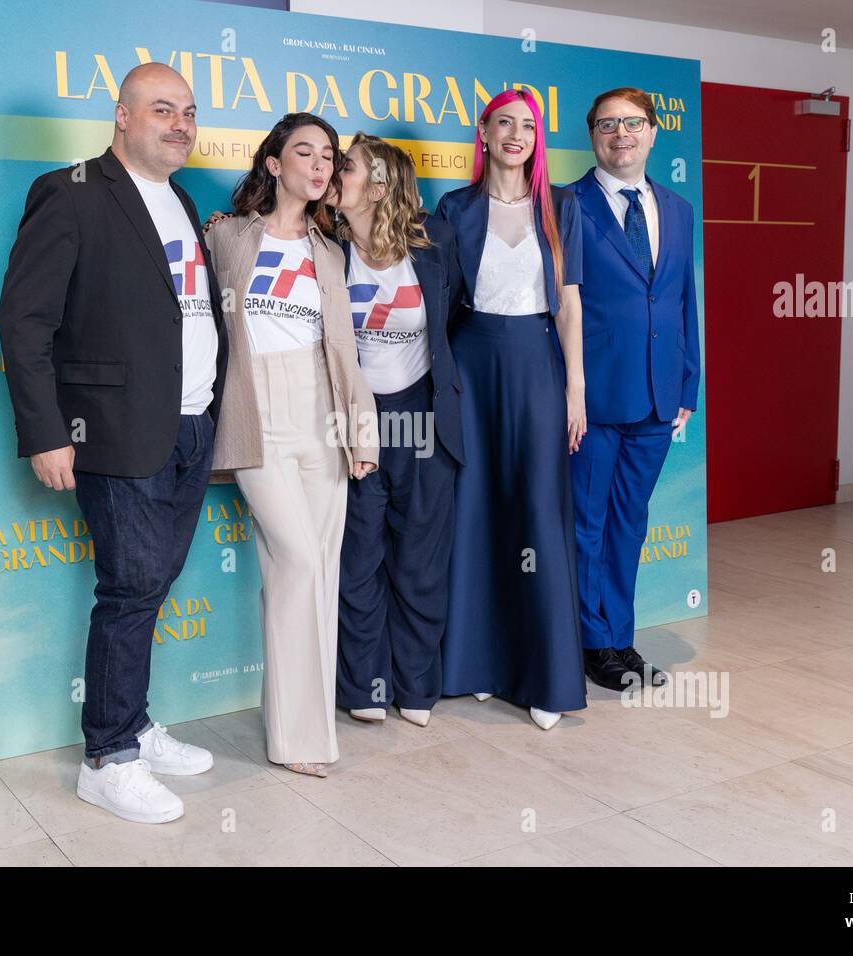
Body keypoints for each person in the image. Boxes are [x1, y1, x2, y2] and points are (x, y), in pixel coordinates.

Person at [0, 63, 226, 824]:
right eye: (162, 109)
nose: (180, 123)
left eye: (189, 112)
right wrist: (47, 432)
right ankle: (108, 757)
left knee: (151, 590)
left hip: (191, 425)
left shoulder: (184, 200)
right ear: (121, 116)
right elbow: (25, 322)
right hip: (115, 431)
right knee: (129, 592)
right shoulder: (71, 193)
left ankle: (133, 723)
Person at [205, 114, 378, 777]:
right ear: (273, 164)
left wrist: (361, 434)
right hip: (257, 419)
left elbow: (346, 353)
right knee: (297, 563)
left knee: (319, 571)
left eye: (329, 157)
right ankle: (299, 737)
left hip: (323, 420)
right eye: (304, 152)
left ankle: (301, 732)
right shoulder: (226, 239)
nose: (319, 164)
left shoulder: (329, 252)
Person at [434, 89, 588, 730]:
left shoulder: (561, 206)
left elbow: (570, 304)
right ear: (484, 131)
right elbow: (436, 300)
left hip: (535, 367)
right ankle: (474, 664)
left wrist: (575, 389)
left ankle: (545, 677)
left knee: (535, 513)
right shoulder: (454, 207)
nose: (517, 135)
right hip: (471, 364)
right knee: (473, 508)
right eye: (506, 123)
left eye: (528, 126)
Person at [566, 87, 701, 690]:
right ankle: (592, 642)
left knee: (631, 523)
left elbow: (680, 301)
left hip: (655, 397)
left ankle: (621, 636)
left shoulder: (677, 208)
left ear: (652, 132)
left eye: (633, 123)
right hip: (592, 399)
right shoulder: (566, 204)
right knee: (586, 524)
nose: (621, 134)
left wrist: (686, 385)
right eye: (608, 124)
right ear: (592, 133)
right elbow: (558, 307)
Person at [332, 133, 464, 728]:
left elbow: (453, 320)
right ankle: (364, 687)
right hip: (354, 423)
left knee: (419, 561)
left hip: (422, 419)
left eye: (348, 166)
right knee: (357, 559)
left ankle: (416, 686)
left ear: (379, 185)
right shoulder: (322, 246)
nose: (334, 172)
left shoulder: (435, 247)